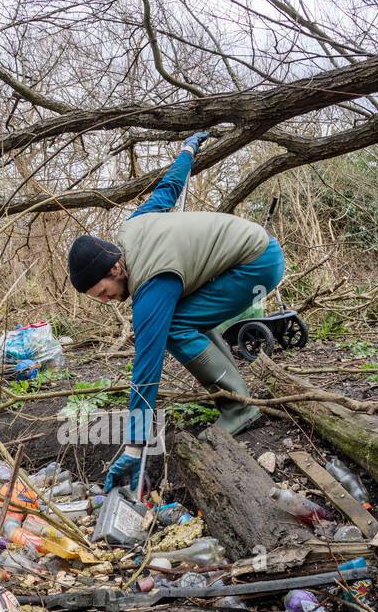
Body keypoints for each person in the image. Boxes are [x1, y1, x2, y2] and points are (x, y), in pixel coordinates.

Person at [67, 133, 286, 492]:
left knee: (173, 327)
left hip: (257, 265)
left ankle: (239, 408)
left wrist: (135, 446)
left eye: (103, 292)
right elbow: (168, 190)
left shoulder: (151, 283)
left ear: (116, 269)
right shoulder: (133, 226)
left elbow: (147, 368)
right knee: (183, 316)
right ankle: (237, 395)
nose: (105, 300)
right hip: (254, 251)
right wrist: (187, 150)